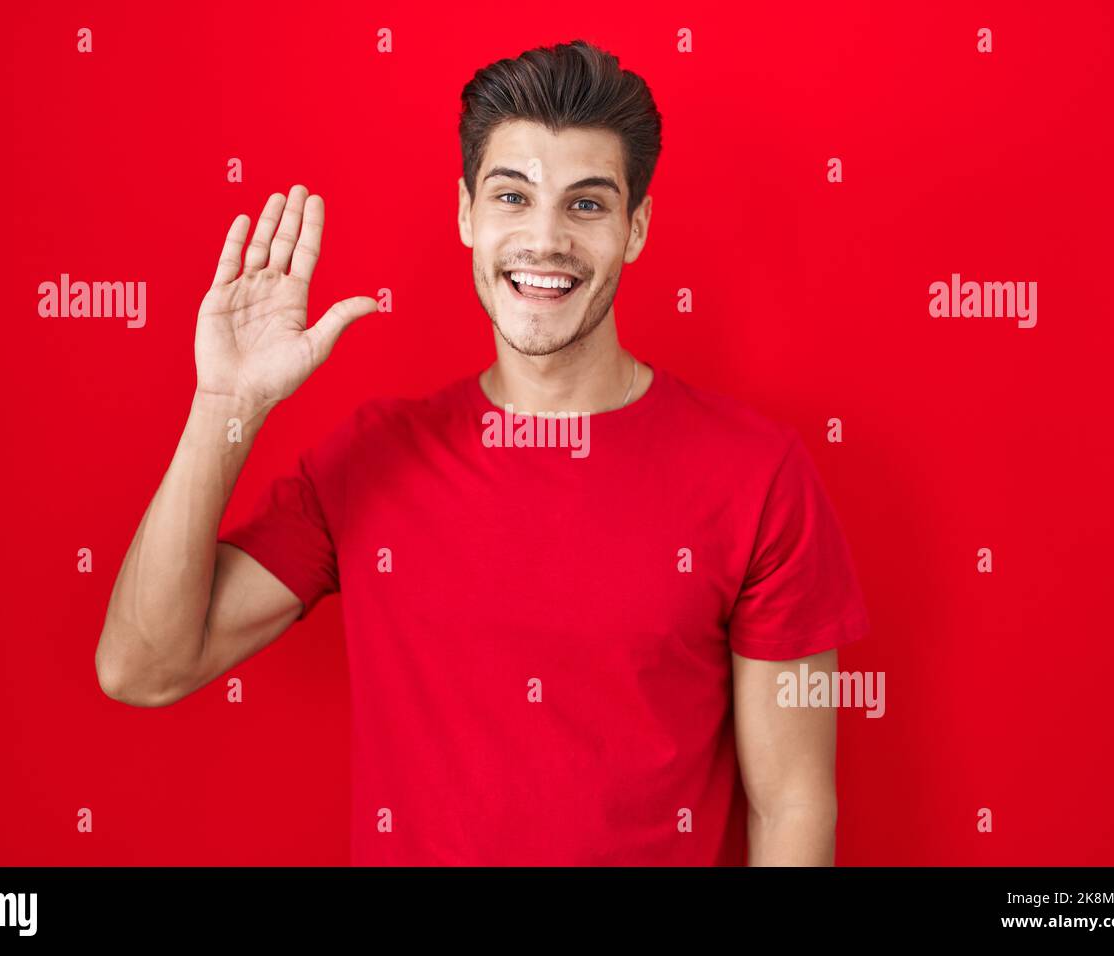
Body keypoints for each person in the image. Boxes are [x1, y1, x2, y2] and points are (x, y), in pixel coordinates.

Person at [95, 39, 870, 866]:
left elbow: (791, 807)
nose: (545, 240)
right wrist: (226, 407)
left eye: (586, 205)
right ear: (467, 213)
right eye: (513, 196)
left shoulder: (758, 475)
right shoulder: (371, 460)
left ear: (635, 228)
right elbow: (143, 668)